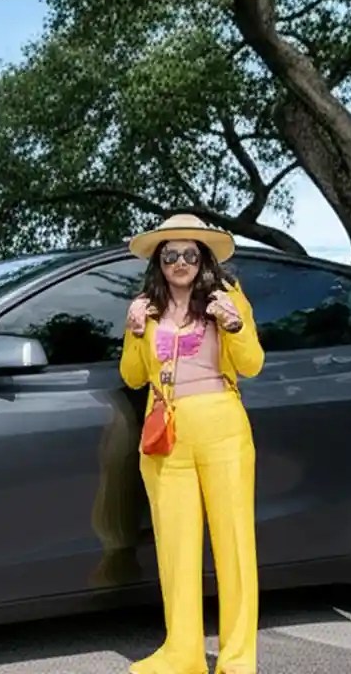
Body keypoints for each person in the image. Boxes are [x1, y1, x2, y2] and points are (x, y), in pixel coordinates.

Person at [118, 213, 266, 674]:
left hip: (222, 425)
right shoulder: (147, 307)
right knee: (175, 547)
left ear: (202, 259)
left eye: (188, 253)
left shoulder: (228, 298)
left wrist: (236, 326)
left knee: (235, 544)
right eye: (169, 255)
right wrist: (134, 331)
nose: (179, 262)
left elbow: (253, 364)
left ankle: (238, 657)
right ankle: (182, 652)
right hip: (168, 434)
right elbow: (133, 376)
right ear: (159, 263)